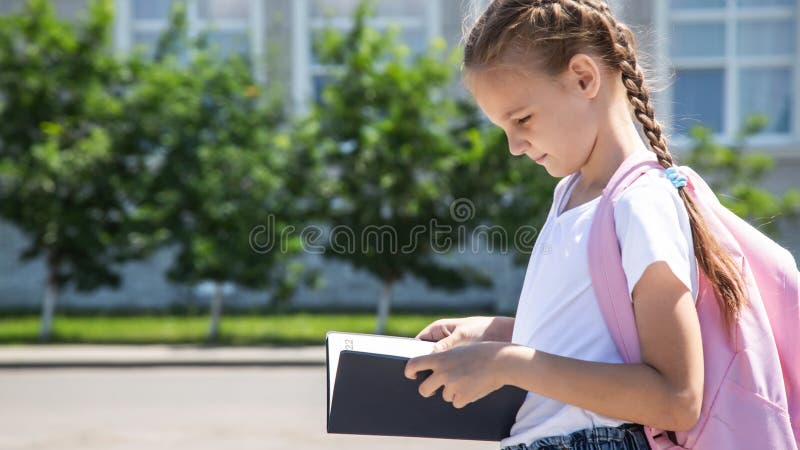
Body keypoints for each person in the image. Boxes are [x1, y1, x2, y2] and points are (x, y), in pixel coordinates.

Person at [403, 1, 749, 449]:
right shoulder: (570, 195)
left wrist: (508, 362)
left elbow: (677, 397)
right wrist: (495, 335)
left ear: (584, 78)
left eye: (522, 119)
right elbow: (592, 344)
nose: (513, 146)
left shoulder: (640, 204)